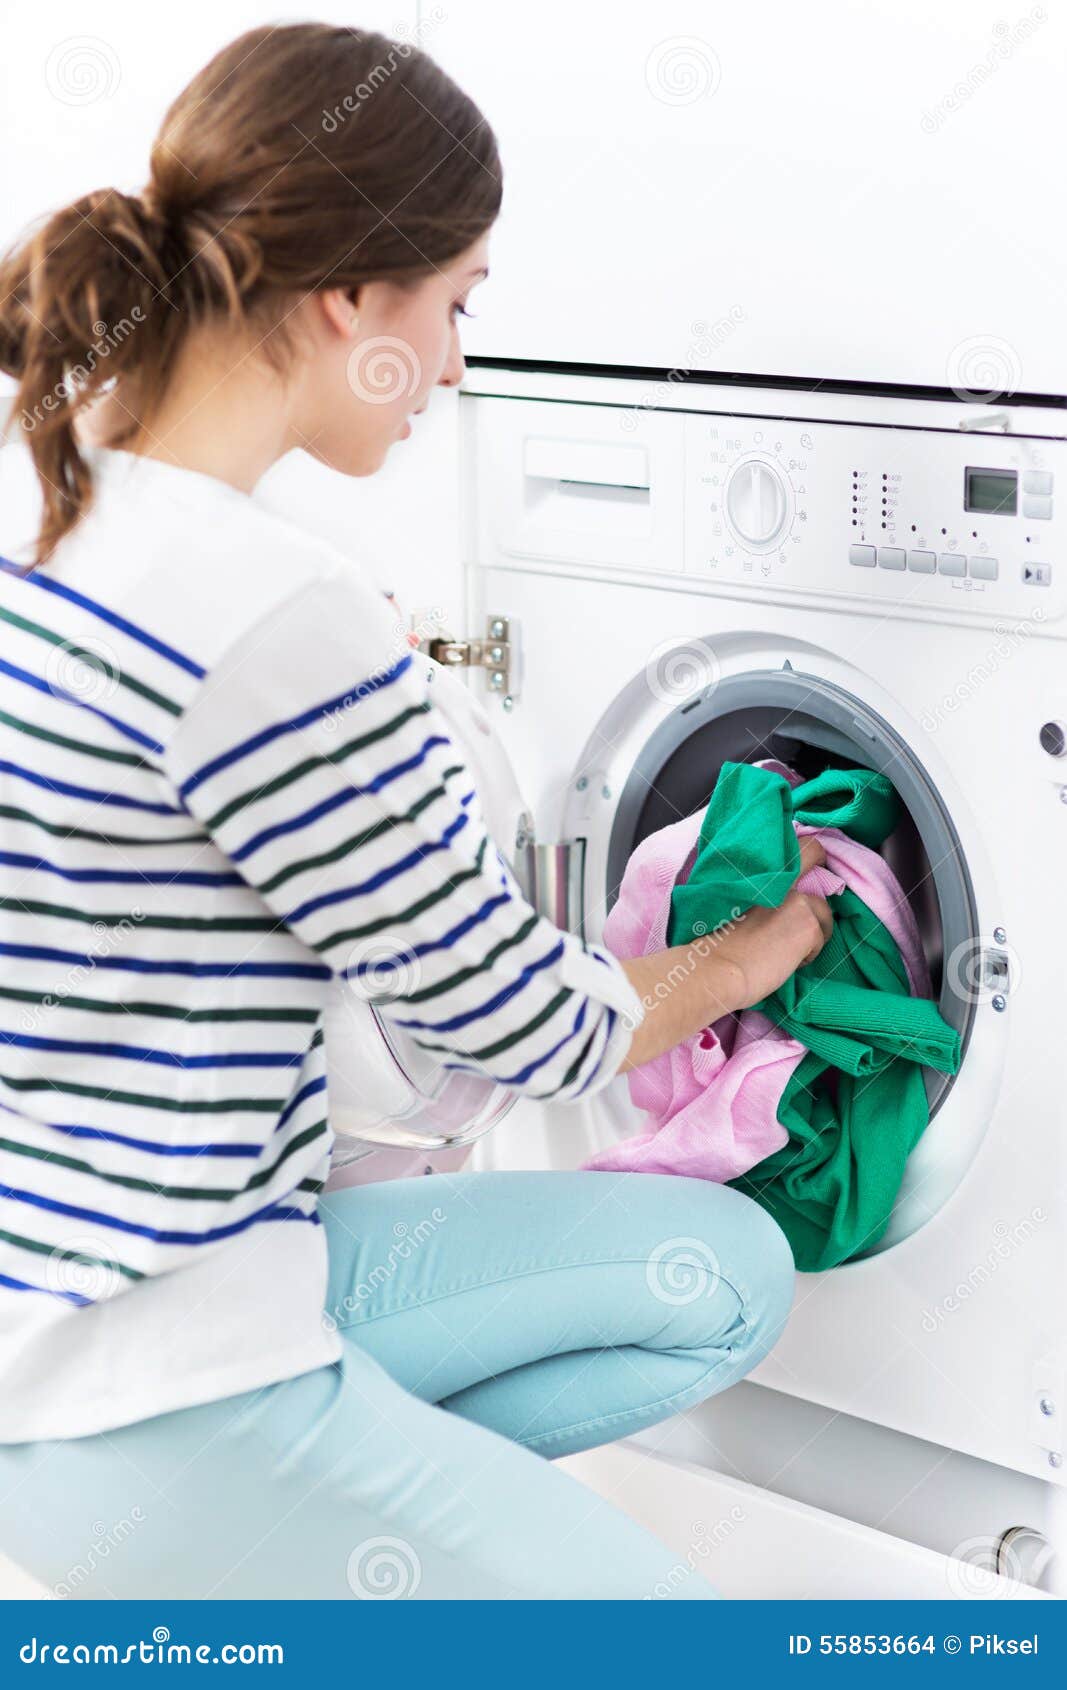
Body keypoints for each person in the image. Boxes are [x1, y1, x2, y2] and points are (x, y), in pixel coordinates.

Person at [0, 23, 831, 1599]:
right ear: (348, 301)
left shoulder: (49, 502)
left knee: (720, 1271)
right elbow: (531, 1030)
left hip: (59, 1342)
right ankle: (295, 1541)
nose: (450, 366)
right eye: (455, 304)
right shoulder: (278, 608)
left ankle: (335, 1574)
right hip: (166, 1395)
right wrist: (753, 952)